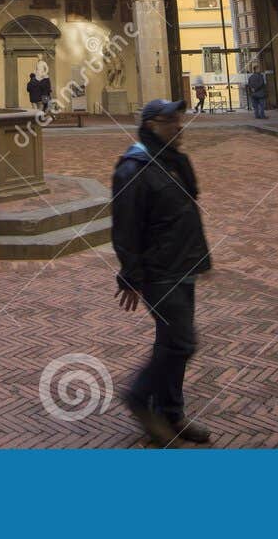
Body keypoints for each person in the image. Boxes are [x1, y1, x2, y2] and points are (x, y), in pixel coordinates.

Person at [112, 99, 213, 447]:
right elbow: (125, 229)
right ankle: (140, 399)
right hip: (160, 272)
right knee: (182, 341)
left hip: (183, 264)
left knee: (172, 343)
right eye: (172, 121)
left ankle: (170, 414)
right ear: (153, 124)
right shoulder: (134, 167)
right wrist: (131, 276)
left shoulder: (173, 161)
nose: (179, 127)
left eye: (180, 120)